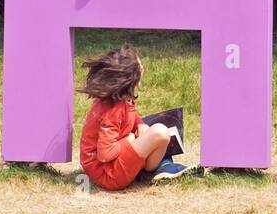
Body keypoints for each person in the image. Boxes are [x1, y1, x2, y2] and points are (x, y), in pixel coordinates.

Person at [78, 44, 193, 189]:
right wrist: (129, 139)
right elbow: (105, 154)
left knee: (159, 123)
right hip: (108, 174)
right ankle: (157, 168)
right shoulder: (113, 110)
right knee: (160, 132)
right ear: (131, 78)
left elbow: (130, 116)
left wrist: (139, 124)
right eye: (140, 66)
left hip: (111, 164)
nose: (143, 68)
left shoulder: (121, 98)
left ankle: (156, 167)